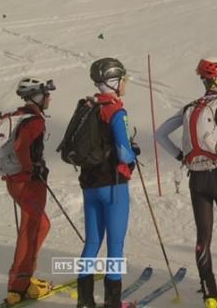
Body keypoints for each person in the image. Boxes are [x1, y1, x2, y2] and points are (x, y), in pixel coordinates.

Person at [155, 58, 217, 308]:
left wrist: (180, 155)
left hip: (197, 178)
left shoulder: (190, 107)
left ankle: (210, 295)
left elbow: (160, 134)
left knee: (203, 236)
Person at [75, 58, 138, 308]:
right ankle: (113, 303)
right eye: (123, 79)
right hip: (113, 186)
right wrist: (133, 155)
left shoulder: (87, 106)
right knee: (115, 245)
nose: (125, 84)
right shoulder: (115, 108)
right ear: (113, 81)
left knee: (91, 242)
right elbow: (124, 152)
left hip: (89, 184)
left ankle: (85, 301)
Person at [0, 77, 55, 306]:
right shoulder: (34, 122)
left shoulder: (20, 116)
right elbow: (22, 147)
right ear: (37, 96)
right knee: (36, 227)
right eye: (46, 93)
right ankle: (19, 284)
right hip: (28, 182)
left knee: (33, 226)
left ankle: (23, 280)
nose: (50, 97)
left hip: (16, 181)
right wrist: (32, 169)